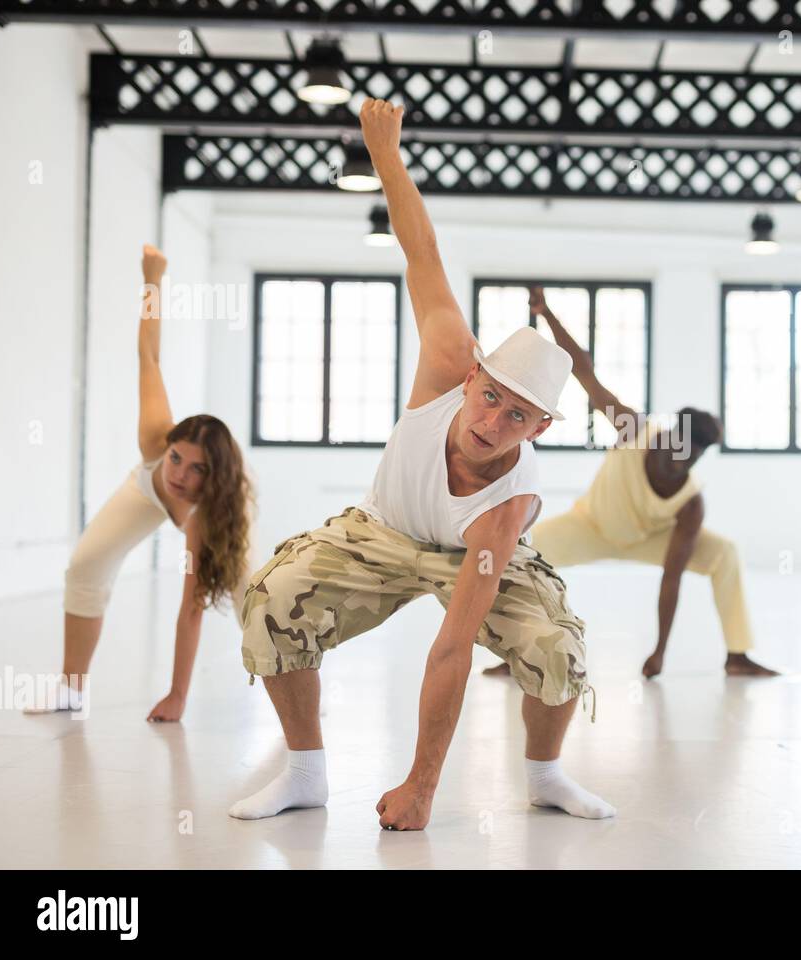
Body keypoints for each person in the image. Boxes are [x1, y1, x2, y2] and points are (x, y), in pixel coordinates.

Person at [228, 99, 613, 830]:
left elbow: (451, 648)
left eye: (518, 418)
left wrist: (422, 787)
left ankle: (547, 775)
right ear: (473, 378)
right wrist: (385, 153)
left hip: (470, 555)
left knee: (558, 651)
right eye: (491, 398)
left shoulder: (509, 506)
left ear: (543, 427)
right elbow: (422, 252)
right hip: (380, 531)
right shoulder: (446, 361)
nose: (491, 424)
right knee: (274, 599)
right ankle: (305, 773)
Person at [483, 285, 777, 680]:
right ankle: (514, 652)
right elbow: (583, 371)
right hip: (590, 526)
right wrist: (547, 312)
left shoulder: (691, 503)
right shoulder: (632, 428)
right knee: (520, 550)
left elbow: (671, 578)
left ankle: (737, 656)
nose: (681, 462)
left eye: (692, 458)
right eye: (679, 450)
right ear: (671, 434)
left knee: (724, 553)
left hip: (649, 539)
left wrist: (659, 653)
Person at [27, 244, 253, 722]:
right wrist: (153, 280)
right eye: (177, 459)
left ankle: (293, 697)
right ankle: (70, 688)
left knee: (253, 608)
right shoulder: (157, 444)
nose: (180, 475)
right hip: (143, 494)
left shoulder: (208, 516)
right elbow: (148, 354)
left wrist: (177, 696)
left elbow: (191, 609)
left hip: (214, 523)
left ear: (213, 478)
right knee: (85, 564)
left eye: (196, 469)